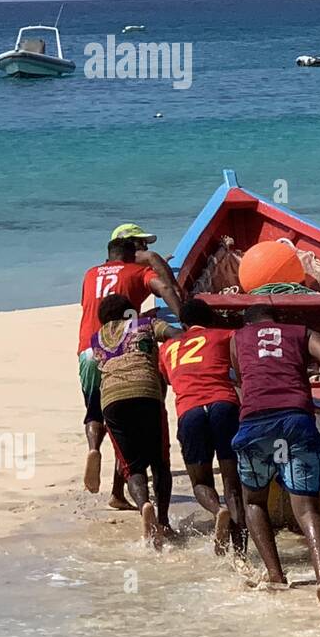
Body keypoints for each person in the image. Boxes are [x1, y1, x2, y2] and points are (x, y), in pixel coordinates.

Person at [229, 304, 320, 605]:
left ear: (248, 323)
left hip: (255, 423)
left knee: (254, 500)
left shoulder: (238, 338)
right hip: (296, 419)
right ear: (276, 320)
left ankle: (276, 575)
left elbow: (241, 379)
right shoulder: (301, 333)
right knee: (307, 508)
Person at [78, 230, 183, 507]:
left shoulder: (90, 274)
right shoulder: (137, 272)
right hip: (123, 348)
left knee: (97, 411)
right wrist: (183, 315)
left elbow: (90, 306)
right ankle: (125, 493)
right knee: (125, 426)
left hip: (90, 347)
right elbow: (165, 289)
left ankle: (93, 451)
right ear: (131, 255)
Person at [158, 299, 246, 555]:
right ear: (210, 319)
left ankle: (218, 510)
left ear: (184, 324)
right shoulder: (225, 335)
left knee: (200, 481)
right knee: (233, 482)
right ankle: (240, 553)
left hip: (190, 411)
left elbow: (169, 380)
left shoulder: (167, 348)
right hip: (223, 405)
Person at [89, 294, 175, 549]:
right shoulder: (146, 324)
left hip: (112, 400)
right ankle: (163, 521)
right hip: (147, 393)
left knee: (132, 466)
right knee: (160, 462)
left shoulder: (97, 339)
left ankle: (143, 505)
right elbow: (174, 334)